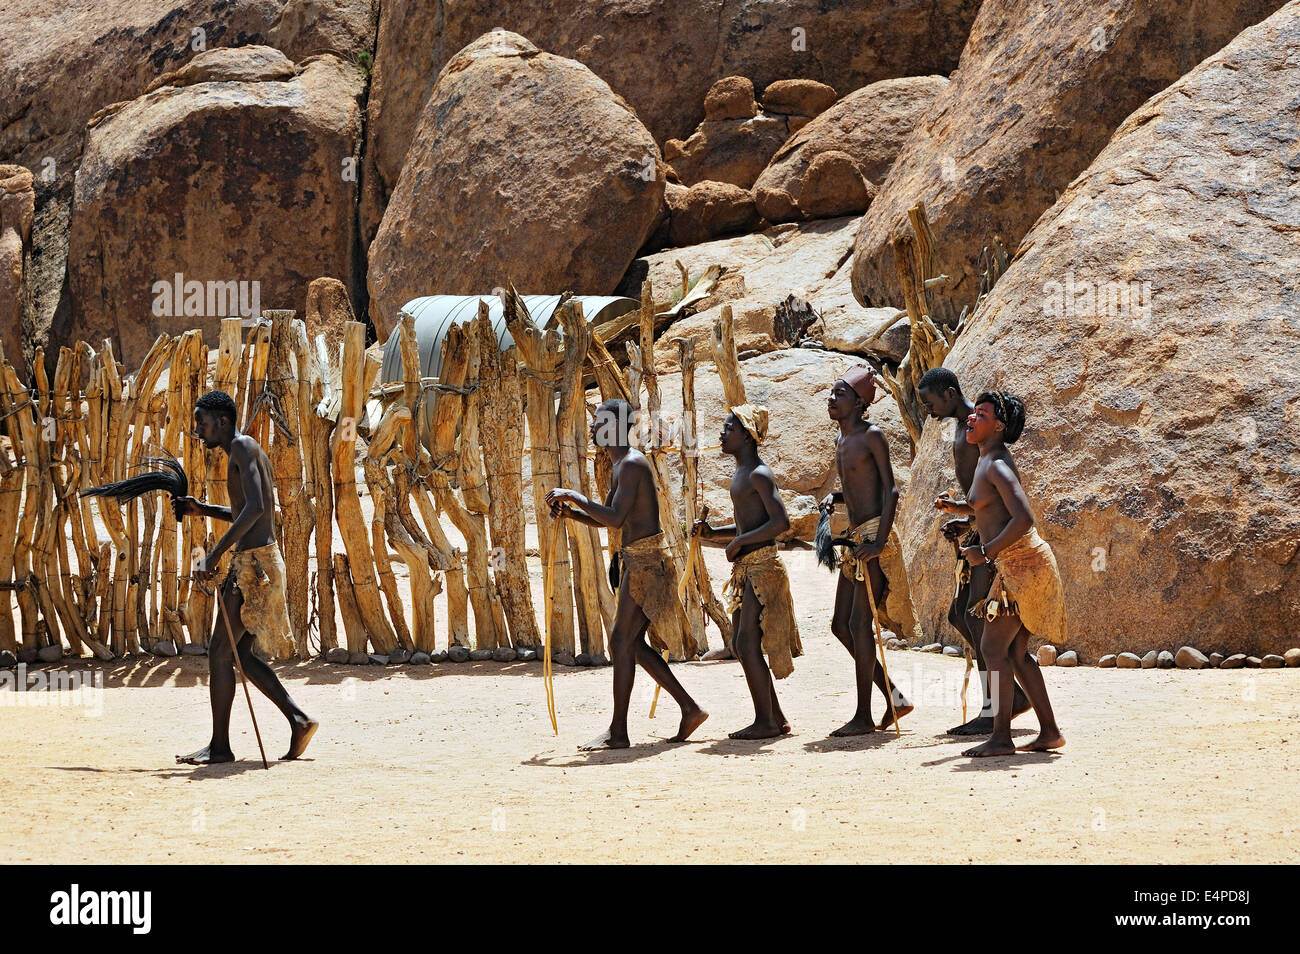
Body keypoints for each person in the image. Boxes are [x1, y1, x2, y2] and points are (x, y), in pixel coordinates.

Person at [545, 398, 708, 750]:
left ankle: (620, 731)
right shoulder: (622, 465)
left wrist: (574, 496)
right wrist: (573, 514)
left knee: (622, 642)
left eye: (599, 422)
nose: (592, 428)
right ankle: (688, 707)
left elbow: (616, 518)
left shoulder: (632, 464)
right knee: (629, 644)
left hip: (646, 563)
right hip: (639, 561)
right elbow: (612, 518)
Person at [173, 390, 318, 765]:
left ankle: (220, 748)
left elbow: (256, 509)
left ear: (222, 421)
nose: (198, 430)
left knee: (221, 652)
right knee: (239, 654)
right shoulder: (244, 450)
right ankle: (298, 720)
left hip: (253, 567)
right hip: (256, 563)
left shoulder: (242, 446)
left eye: (202, 422)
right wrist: (202, 508)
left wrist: (215, 554)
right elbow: (248, 509)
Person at [939, 391, 1066, 757]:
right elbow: (991, 505)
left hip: (1023, 565)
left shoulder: (995, 463)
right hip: (1015, 564)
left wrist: (986, 551)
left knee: (993, 647)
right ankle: (1049, 732)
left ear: (998, 426)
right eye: (973, 412)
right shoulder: (986, 460)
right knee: (1012, 652)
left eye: (981, 414)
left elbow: (1024, 518)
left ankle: (1001, 738)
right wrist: (960, 507)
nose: (972, 418)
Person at [920, 367, 1033, 735]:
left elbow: (1003, 500)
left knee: (977, 620)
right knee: (961, 616)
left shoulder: (978, 430)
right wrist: (962, 513)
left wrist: (978, 532)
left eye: (931, 402)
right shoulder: (966, 429)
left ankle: (996, 708)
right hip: (977, 533)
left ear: (950, 393)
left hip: (989, 540)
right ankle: (1008, 698)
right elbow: (979, 495)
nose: (928, 410)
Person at [694, 405, 801, 740]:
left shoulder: (757, 473)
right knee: (742, 645)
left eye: (729, 428)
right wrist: (713, 533)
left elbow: (780, 523)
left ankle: (766, 721)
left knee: (746, 643)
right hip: (748, 568)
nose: (722, 434)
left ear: (747, 434)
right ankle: (776, 718)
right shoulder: (743, 472)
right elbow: (749, 524)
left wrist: (738, 540)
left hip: (763, 568)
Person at [820, 366, 915, 736]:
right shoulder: (842, 441)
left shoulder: (871, 436)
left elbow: (890, 491)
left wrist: (878, 543)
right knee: (840, 625)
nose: (831, 399)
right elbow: (861, 487)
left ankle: (864, 715)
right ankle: (894, 696)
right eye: (831, 393)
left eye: (839, 394)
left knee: (860, 624)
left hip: (873, 537)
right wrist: (835, 497)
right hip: (855, 540)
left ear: (859, 402)